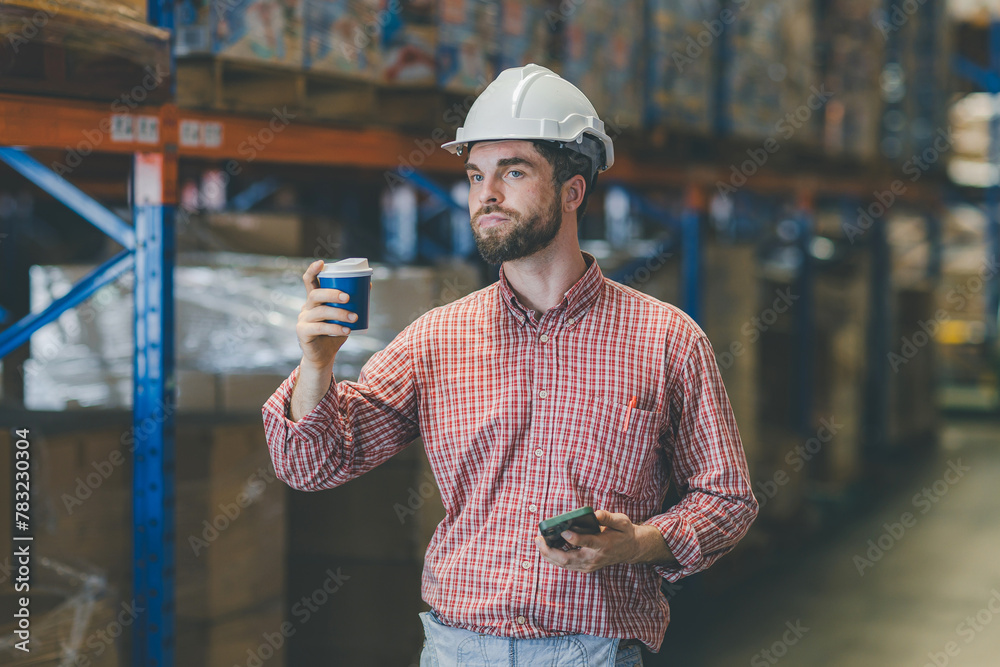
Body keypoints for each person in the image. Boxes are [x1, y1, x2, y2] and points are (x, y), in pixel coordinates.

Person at [262, 64, 758, 666]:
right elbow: (312, 465)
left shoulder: (666, 339)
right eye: (475, 176)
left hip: (595, 651)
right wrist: (316, 364)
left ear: (573, 190)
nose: (486, 195)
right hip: (457, 649)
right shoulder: (438, 338)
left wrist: (640, 544)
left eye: (513, 172)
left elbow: (727, 499)